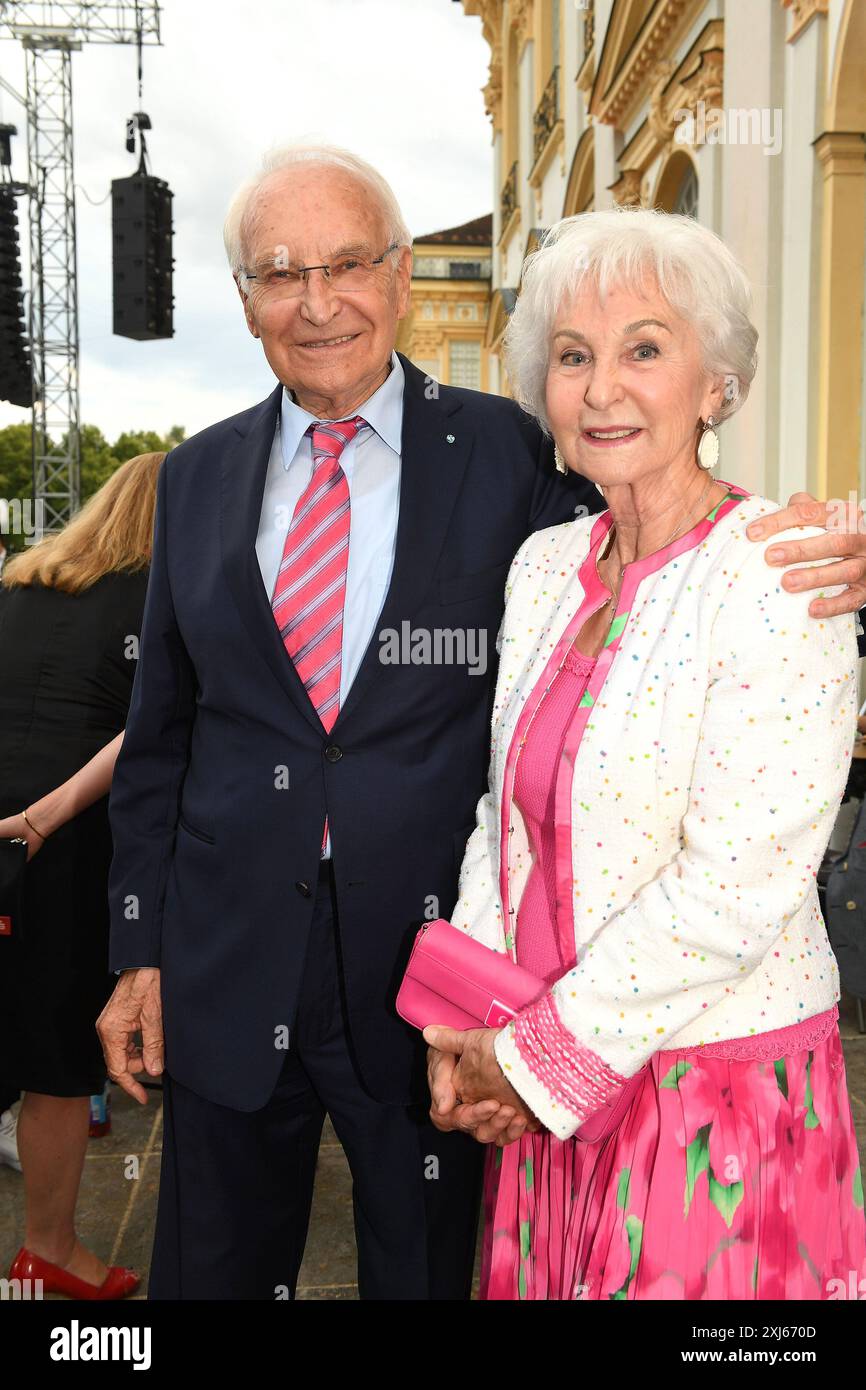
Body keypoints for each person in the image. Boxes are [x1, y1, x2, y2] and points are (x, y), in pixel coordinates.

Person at [96, 144, 866, 1302]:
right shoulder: (196, 479)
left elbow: (681, 522)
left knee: (428, 1271)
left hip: (495, 1014)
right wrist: (137, 947)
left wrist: (845, 536)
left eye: (349, 262)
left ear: (402, 275)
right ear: (245, 297)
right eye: (278, 271)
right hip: (253, 968)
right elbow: (163, 736)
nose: (317, 302)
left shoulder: (511, 458)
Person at [424, 208, 866, 1300]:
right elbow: (502, 812)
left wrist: (529, 1065)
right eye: (572, 356)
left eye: (644, 347)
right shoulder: (541, 566)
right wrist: (470, 1027)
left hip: (711, 1093)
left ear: (714, 382)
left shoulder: (777, 572)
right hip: (547, 1074)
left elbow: (735, 885)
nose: (601, 386)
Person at [0, 451, 165, 1299]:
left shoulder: (22, 584)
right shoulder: (155, 598)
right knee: (58, 1068)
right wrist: (44, 818)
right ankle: (49, 1251)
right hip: (61, 851)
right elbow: (145, 733)